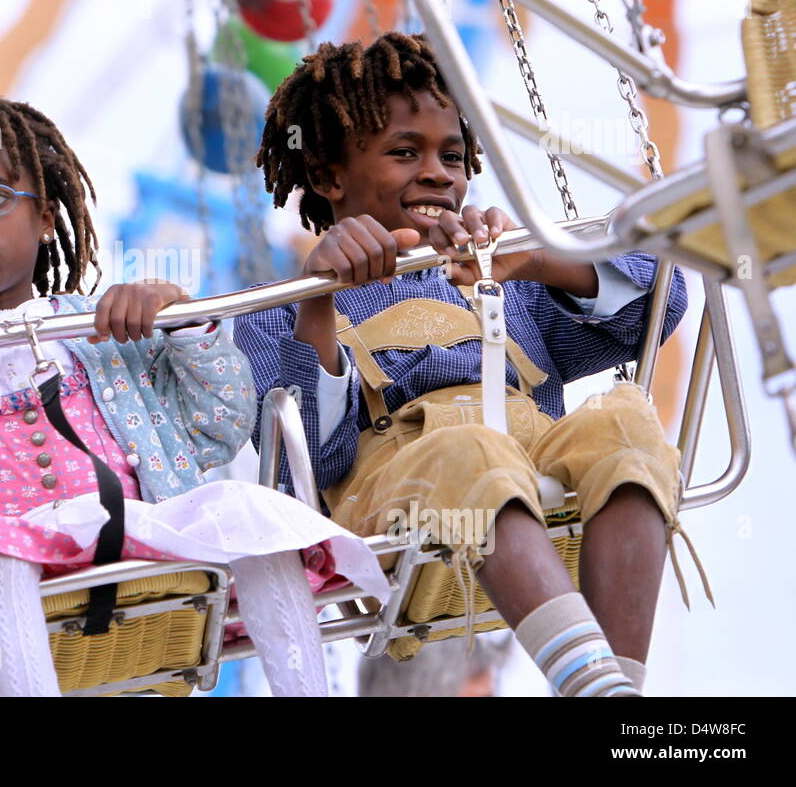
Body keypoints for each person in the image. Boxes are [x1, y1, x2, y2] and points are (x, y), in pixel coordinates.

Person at [0, 97, 387, 697]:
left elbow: (223, 422)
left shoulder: (102, 329)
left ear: (47, 218)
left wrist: (180, 321)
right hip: (10, 563)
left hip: (140, 533)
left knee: (251, 508)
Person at [233, 34, 695, 698]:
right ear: (332, 176)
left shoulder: (508, 278)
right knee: (469, 447)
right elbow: (316, 459)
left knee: (626, 421)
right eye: (405, 152)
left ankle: (619, 688)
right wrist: (320, 302)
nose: (439, 172)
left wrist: (533, 258)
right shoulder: (279, 308)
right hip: (398, 489)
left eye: (452, 155)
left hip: (527, 455)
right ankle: (587, 683)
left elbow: (659, 303)